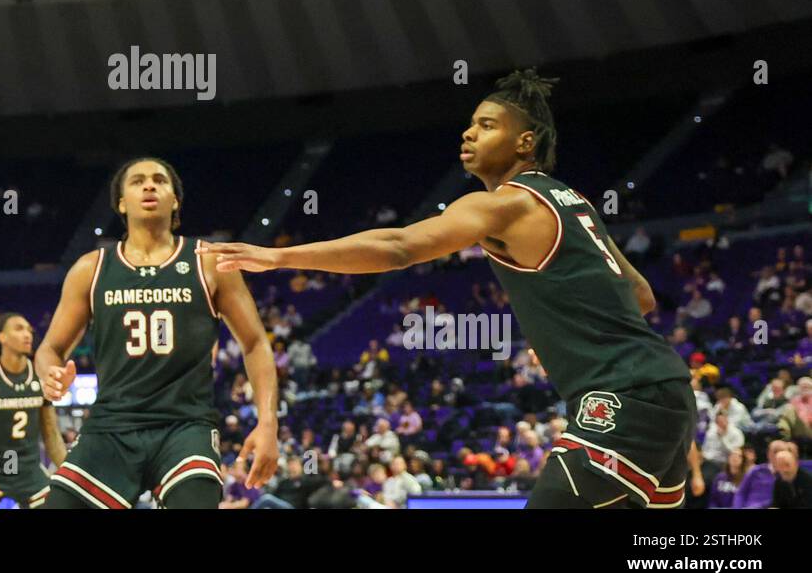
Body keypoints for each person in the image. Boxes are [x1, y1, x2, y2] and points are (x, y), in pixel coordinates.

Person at [204, 70, 695, 509]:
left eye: (486, 125)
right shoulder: (573, 202)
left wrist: (279, 256)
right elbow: (642, 294)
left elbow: (398, 247)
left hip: (621, 398)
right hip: (666, 391)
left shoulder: (506, 204)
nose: (468, 131)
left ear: (525, 143)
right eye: (472, 123)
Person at [36, 158, 279, 509]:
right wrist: (49, 372)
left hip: (186, 427)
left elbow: (255, 342)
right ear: (121, 203)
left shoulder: (209, 261)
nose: (149, 186)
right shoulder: (92, 268)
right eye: (137, 181)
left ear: (175, 200)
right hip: (110, 428)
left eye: (159, 181)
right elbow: (50, 348)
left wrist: (268, 422)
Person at [0, 312, 65, 509]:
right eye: (19, 328)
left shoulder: (40, 376)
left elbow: (51, 433)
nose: (27, 334)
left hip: (30, 474)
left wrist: (70, 474)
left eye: (29, 330)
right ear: (2, 337)